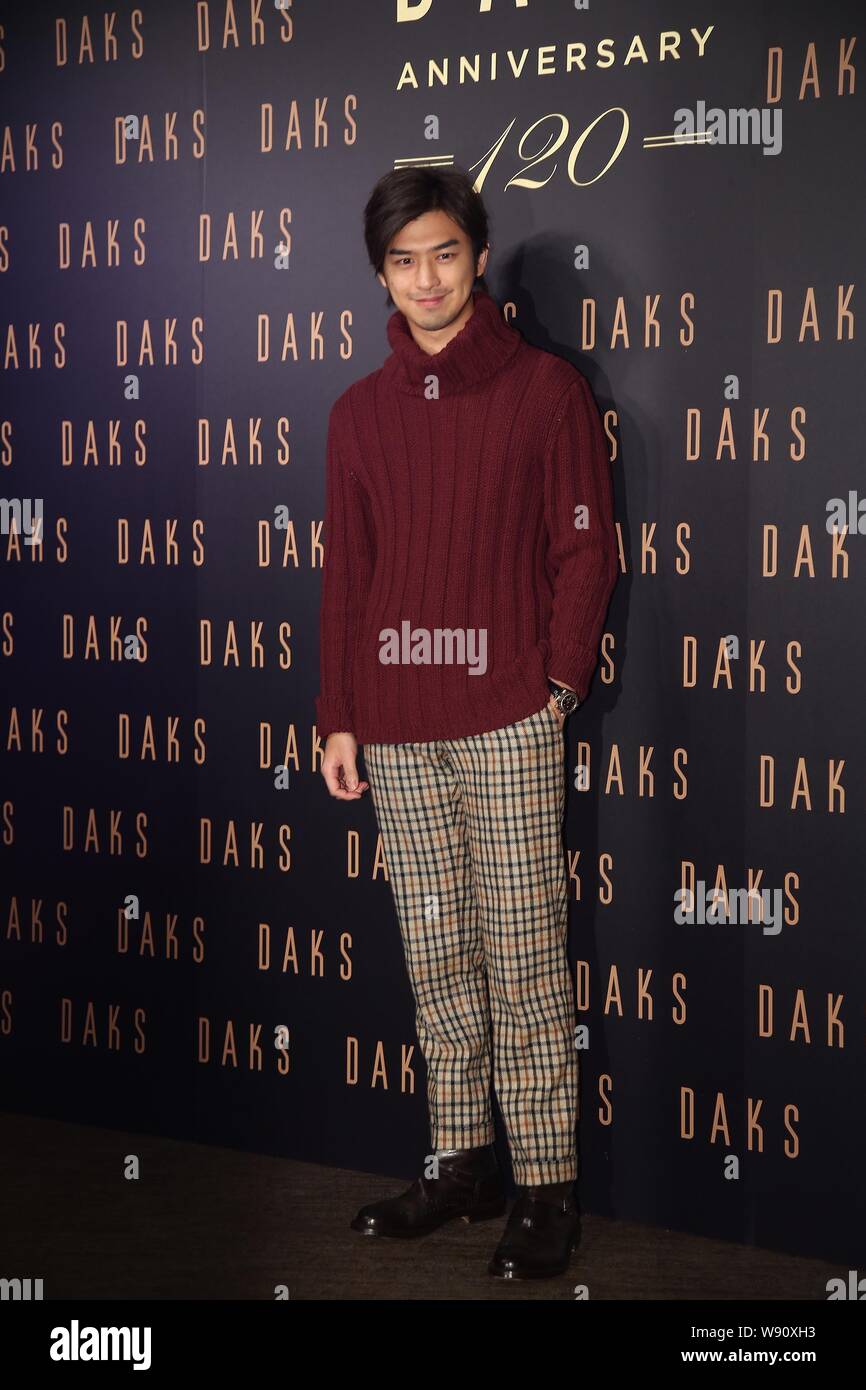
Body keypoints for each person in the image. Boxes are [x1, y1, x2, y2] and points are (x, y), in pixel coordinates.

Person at [315, 166, 618, 1280]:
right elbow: (348, 573)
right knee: (435, 956)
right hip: (394, 724)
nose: (425, 278)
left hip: (504, 719)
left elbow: (585, 547)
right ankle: (461, 1161)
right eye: (403, 260)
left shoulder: (545, 391)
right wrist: (339, 715)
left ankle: (543, 1185)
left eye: (443, 252)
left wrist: (552, 686)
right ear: (381, 274)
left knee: (525, 957)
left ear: (476, 259)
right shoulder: (356, 414)